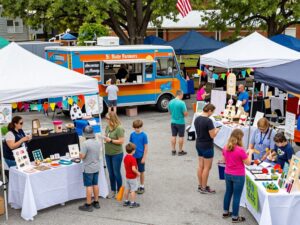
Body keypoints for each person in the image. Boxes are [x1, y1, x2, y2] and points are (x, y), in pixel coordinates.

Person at [222, 129, 254, 223]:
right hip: (238, 175)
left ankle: (225, 212)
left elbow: (224, 161)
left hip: (227, 173)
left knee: (228, 192)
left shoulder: (225, 147)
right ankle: (235, 217)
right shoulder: (240, 150)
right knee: (237, 196)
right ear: (240, 138)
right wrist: (250, 153)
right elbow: (248, 163)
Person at [194, 104, 220, 194]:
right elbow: (212, 135)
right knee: (207, 167)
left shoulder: (197, 119)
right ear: (209, 111)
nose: (212, 114)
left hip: (199, 144)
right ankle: (204, 188)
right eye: (212, 112)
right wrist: (217, 130)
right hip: (207, 145)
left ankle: (200, 185)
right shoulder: (208, 121)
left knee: (201, 166)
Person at [78, 126, 101, 212]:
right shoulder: (97, 142)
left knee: (88, 186)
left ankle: (88, 204)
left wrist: (79, 154)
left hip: (88, 167)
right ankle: (96, 201)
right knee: (95, 184)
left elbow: (82, 156)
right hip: (96, 166)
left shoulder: (85, 144)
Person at [104, 112, 125, 199]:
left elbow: (121, 141)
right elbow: (106, 136)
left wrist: (111, 140)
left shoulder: (119, 128)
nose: (106, 120)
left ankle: (120, 191)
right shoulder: (107, 127)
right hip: (108, 153)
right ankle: (113, 190)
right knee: (111, 173)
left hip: (117, 154)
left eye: (107, 119)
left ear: (112, 119)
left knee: (116, 173)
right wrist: (104, 138)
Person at [129, 119, 148, 194]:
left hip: (140, 156)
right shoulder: (132, 134)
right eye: (135, 128)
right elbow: (130, 145)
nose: (136, 129)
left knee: (141, 171)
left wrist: (144, 157)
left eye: (138, 128)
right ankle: (135, 185)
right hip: (133, 157)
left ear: (141, 127)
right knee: (134, 171)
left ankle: (142, 185)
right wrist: (129, 155)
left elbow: (146, 147)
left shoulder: (144, 135)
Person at [168, 90, 188, 156]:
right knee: (181, 136)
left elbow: (170, 112)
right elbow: (185, 114)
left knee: (173, 136)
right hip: (180, 122)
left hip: (173, 121)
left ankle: (173, 150)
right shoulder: (182, 103)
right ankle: (180, 151)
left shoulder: (170, 102)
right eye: (182, 95)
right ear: (180, 94)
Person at [123, 143, 140, 208]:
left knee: (127, 189)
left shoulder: (126, 157)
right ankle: (132, 203)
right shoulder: (133, 159)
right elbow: (133, 168)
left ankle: (126, 201)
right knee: (133, 190)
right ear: (133, 150)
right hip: (133, 177)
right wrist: (137, 173)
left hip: (127, 176)